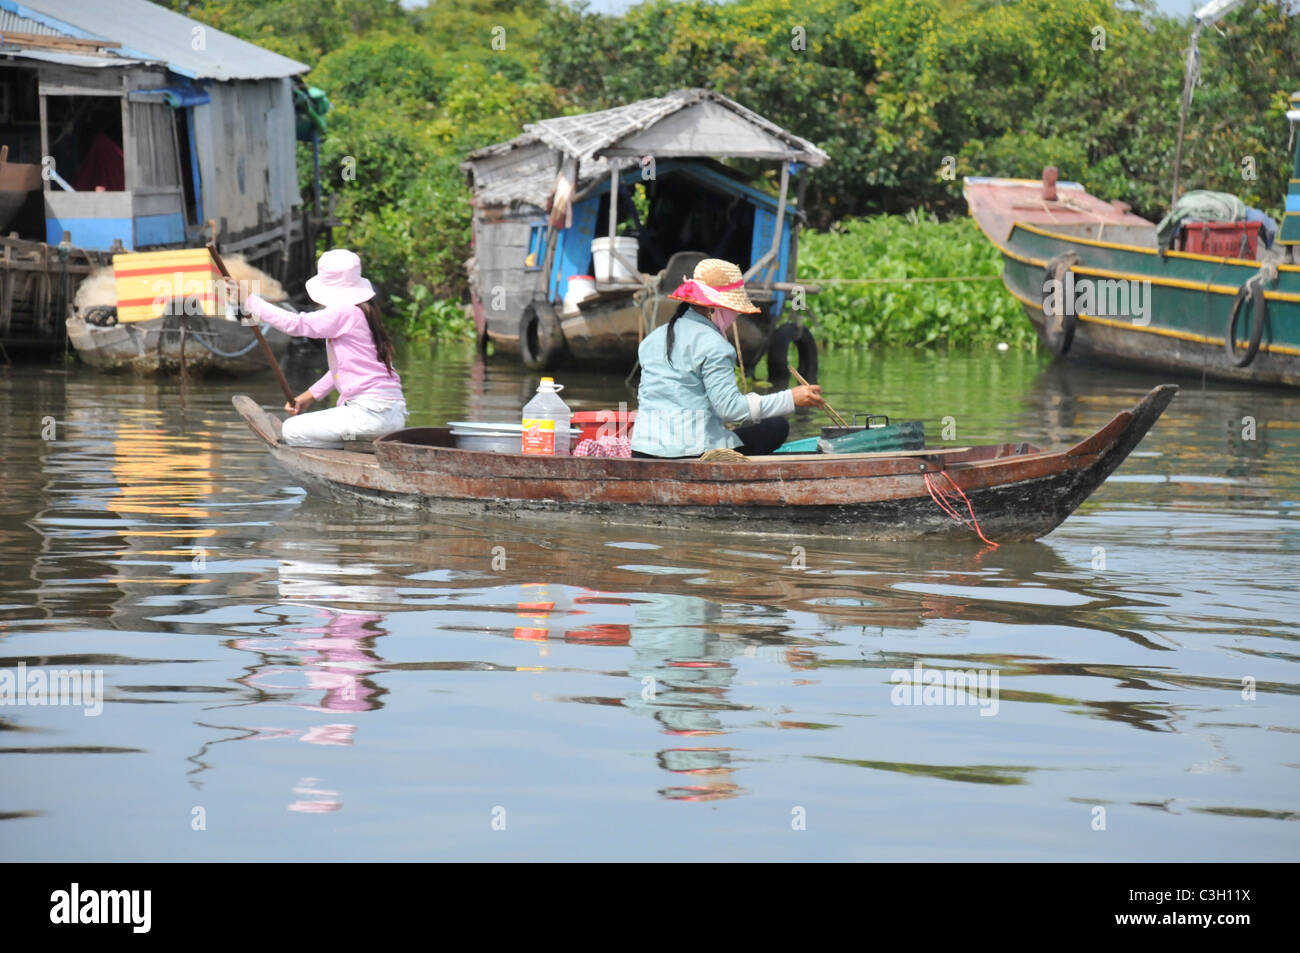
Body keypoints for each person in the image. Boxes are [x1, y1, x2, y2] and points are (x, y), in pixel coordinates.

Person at [630, 258, 825, 458]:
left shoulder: (652, 339)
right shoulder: (715, 346)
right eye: (733, 309)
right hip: (694, 454)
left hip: (642, 450)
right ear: (712, 308)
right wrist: (790, 398)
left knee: (748, 425)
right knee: (776, 425)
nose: (736, 315)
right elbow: (730, 409)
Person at [231, 249, 406, 448]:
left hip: (370, 415)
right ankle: (353, 443)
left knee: (290, 431)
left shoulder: (344, 311)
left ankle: (349, 446)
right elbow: (343, 368)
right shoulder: (363, 311)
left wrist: (250, 300)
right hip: (392, 414)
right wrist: (309, 396)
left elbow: (297, 325)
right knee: (311, 431)